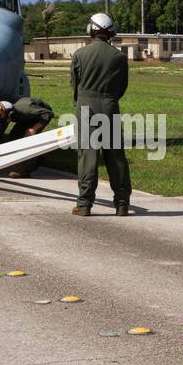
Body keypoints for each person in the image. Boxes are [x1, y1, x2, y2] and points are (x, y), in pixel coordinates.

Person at [70, 13, 131, 216]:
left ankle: (84, 204)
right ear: (111, 31)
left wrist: (80, 102)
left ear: (91, 30)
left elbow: (75, 85)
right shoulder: (119, 57)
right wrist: (109, 99)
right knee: (116, 156)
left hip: (86, 106)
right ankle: (122, 203)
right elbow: (122, 87)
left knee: (88, 155)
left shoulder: (80, 54)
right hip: (110, 105)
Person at [0, 97, 54, 179]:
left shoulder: (25, 109)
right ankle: (40, 159)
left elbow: (48, 114)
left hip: (40, 117)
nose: (3, 121)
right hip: (25, 118)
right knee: (14, 136)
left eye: (3, 118)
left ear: (10, 114)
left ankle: (25, 171)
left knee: (29, 142)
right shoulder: (6, 115)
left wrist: (34, 128)